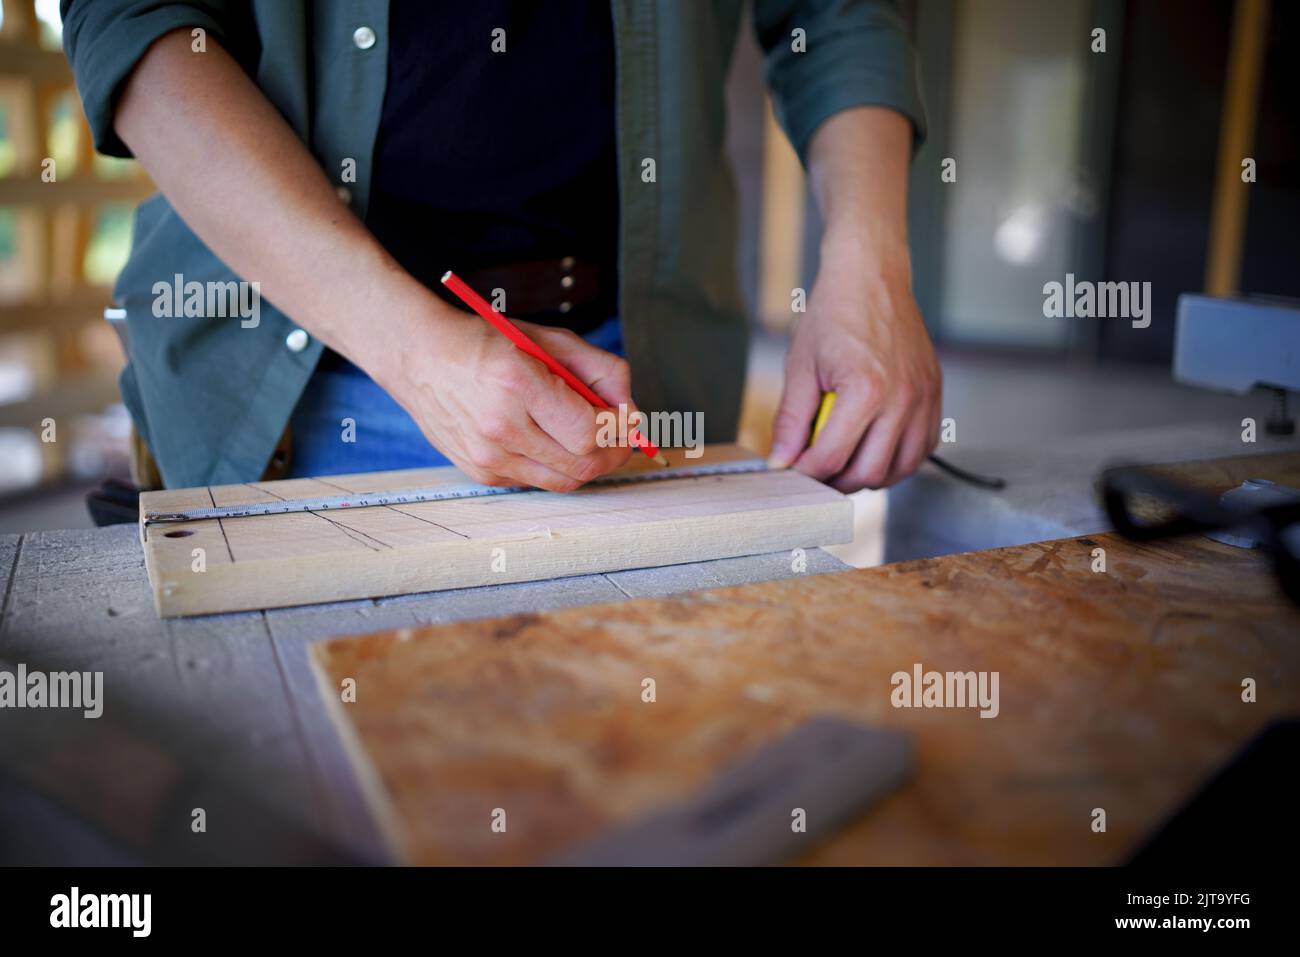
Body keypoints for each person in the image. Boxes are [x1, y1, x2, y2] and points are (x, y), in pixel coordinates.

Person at [61, 0, 940, 495]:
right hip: (298, 397)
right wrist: (414, 348)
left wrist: (871, 264)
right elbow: (136, 17)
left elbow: (838, 10)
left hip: (647, 365)